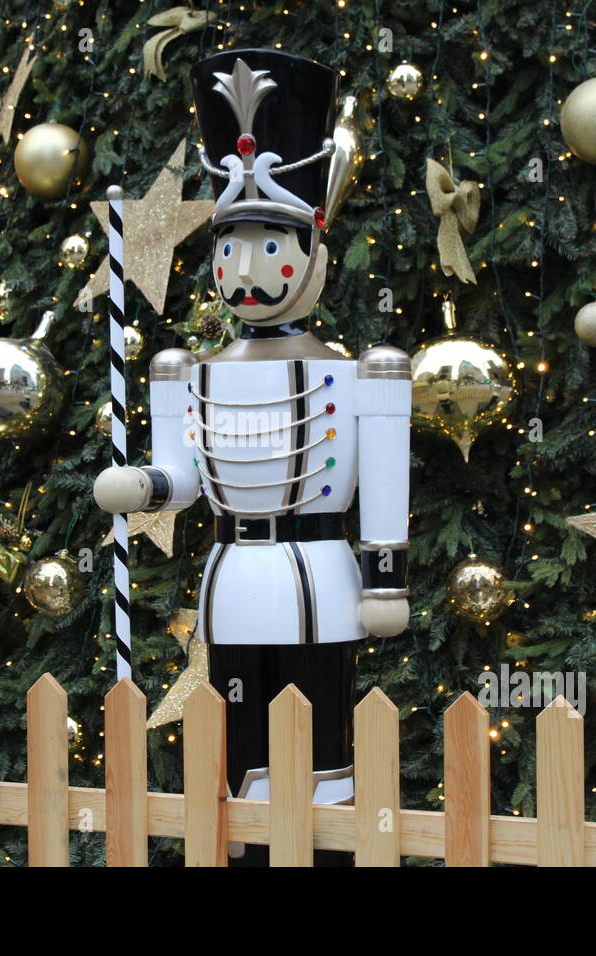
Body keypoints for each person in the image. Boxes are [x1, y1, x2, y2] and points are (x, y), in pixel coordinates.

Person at [93, 50, 411, 864]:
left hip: (321, 582)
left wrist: (385, 578)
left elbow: (381, 482)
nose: (245, 273)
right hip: (233, 583)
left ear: (313, 253)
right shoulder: (187, 373)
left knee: (327, 759)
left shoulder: (360, 372)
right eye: (231, 250)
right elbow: (187, 476)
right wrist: (144, 484)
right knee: (243, 760)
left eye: (268, 249)